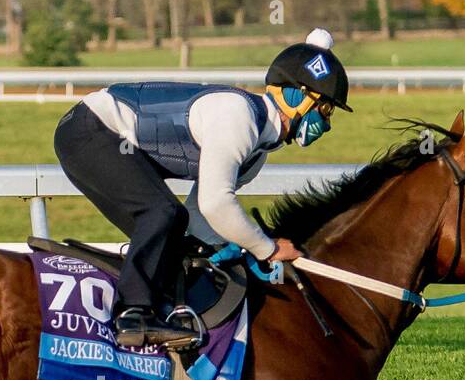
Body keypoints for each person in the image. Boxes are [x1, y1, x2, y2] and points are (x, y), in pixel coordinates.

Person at [53, 28, 352, 348]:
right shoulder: (240, 119)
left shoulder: (257, 154)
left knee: (179, 234)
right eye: (325, 109)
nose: (328, 123)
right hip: (89, 130)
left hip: (102, 135)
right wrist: (267, 248)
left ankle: (165, 314)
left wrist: (232, 251)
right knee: (162, 214)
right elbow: (215, 204)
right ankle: (132, 316)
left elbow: (200, 217)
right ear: (298, 96)